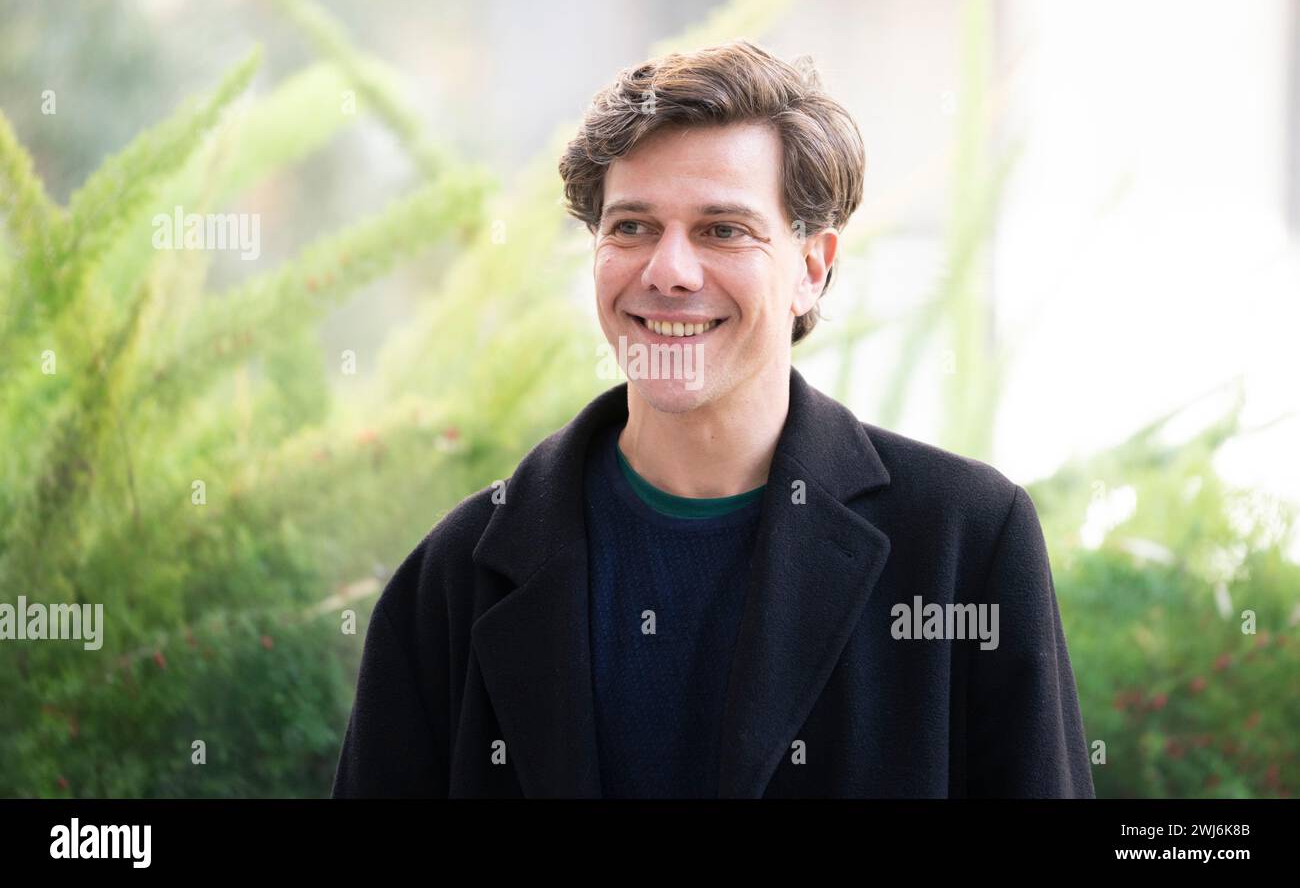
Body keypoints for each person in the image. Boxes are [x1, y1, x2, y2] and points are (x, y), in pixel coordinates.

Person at [331, 39, 1094, 798]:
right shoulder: (455, 577)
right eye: (630, 227)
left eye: (722, 229)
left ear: (812, 267)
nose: (668, 271)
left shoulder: (966, 543)